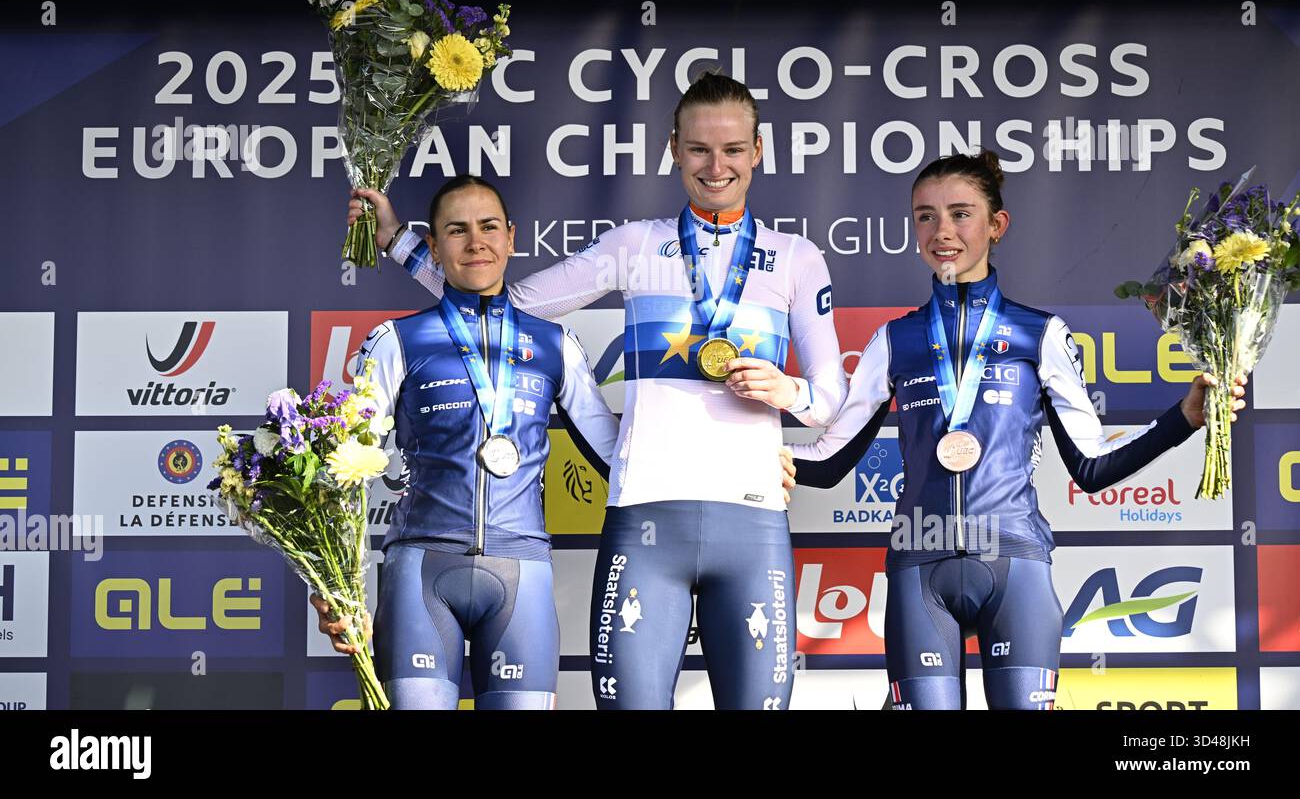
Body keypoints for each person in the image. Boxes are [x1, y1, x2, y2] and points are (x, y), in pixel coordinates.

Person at [348, 71, 843, 709]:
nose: (715, 166)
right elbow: (508, 305)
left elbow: (829, 397)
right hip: (644, 514)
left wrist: (787, 390)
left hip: (751, 517)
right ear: (673, 149)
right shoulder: (635, 245)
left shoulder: (797, 258)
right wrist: (400, 244)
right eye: (698, 149)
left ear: (758, 151)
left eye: (731, 149)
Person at [791, 150, 1247, 711]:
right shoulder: (894, 340)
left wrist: (1184, 420)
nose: (943, 232)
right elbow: (830, 461)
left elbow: (1093, 466)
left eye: (961, 214)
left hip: (1016, 565)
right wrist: (744, 455)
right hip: (918, 566)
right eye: (926, 216)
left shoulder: (1040, 334)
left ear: (996, 225)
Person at [314, 175, 622, 709]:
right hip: (421, 569)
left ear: (511, 237)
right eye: (456, 230)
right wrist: (336, 587)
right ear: (433, 246)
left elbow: (621, 459)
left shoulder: (556, 344)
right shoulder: (397, 340)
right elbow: (339, 473)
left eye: (488, 227)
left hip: (521, 570)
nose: (475, 242)